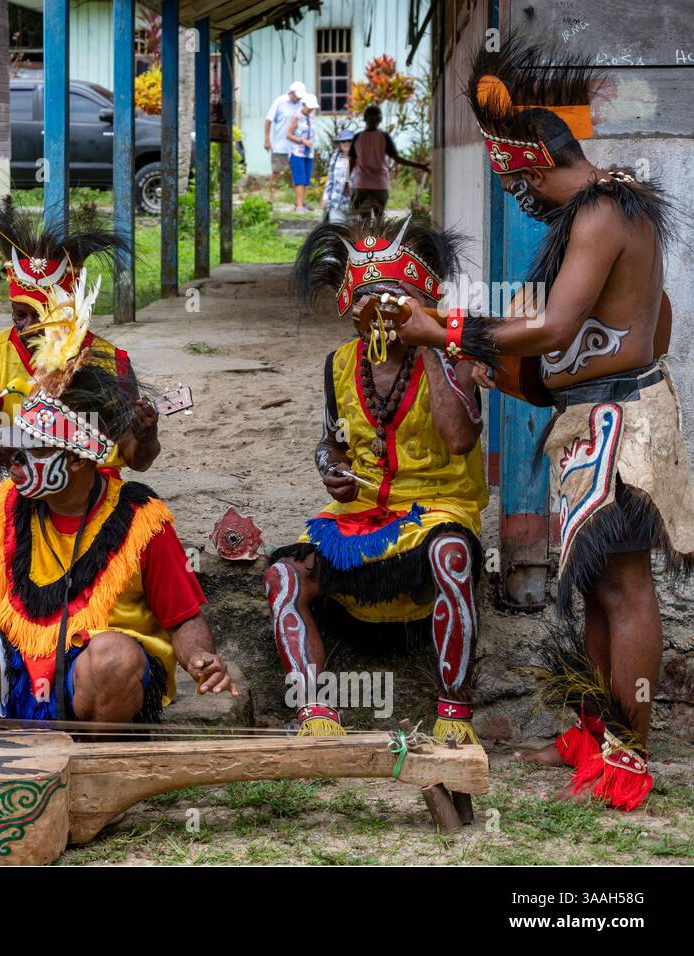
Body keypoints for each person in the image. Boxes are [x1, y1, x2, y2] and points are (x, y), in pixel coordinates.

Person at [395, 34, 693, 810]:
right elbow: (601, 335)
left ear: (528, 159)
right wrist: (492, 359)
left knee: (625, 587)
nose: (513, 193)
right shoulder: (607, 202)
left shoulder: (598, 213)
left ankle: (630, 752)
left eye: (511, 177)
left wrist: (451, 333)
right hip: (598, 420)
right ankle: (598, 732)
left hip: (622, 425)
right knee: (600, 586)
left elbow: (558, 329)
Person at [0, 274, 236, 722]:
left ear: (81, 460)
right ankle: (3, 760)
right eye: (17, 445)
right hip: (20, 669)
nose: (16, 461)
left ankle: (90, 769)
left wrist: (201, 658)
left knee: (113, 657)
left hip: (93, 678)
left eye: (36, 449)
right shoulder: (4, 503)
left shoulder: (142, 518)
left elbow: (183, 616)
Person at [268, 215, 487, 739]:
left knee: (450, 557)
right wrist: (331, 470)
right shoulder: (341, 364)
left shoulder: (455, 358)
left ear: (421, 297)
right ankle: (316, 714)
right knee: (283, 575)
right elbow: (331, 443)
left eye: (394, 297)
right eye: (368, 298)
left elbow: (459, 438)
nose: (381, 310)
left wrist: (430, 341)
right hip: (359, 515)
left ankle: (453, 715)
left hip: (437, 510)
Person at [0, 196, 157, 613]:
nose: (24, 326)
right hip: (4, 485)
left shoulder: (110, 360)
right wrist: (35, 441)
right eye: (17, 314)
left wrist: (146, 435)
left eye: (36, 315)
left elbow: (136, 459)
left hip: (88, 491)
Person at [348, 105, 430, 219]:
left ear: (364, 118)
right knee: (379, 220)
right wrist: (420, 166)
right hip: (379, 183)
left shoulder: (358, 137)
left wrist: (348, 179)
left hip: (362, 183)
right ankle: (378, 236)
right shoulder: (383, 137)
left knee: (364, 221)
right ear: (379, 120)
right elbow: (397, 159)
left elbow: (352, 161)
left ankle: (366, 236)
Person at [264, 81, 306, 205]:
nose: (297, 98)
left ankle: (298, 201)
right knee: (276, 172)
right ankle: (270, 198)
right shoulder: (279, 102)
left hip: (296, 146)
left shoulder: (301, 104)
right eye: (296, 95)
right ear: (291, 92)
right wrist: (267, 139)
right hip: (280, 145)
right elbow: (268, 120)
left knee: (296, 174)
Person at [285, 93, 318, 213]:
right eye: (309, 107)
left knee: (305, 179)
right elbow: (288, 135)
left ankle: (301, 204)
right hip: (297, 152)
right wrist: (302, 141)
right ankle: (299, 206)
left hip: (308, 153)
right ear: (303, 104)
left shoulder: (311, 117)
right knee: (299, 179)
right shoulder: (296, 117)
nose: (311, 109)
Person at [321, 129, 354, 223]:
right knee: (336, 234)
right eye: (344, 141)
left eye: (349, 141)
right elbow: (330, 180)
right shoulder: (335, 157)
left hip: (355, 205)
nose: (346, 143)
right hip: (336, 203)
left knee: (356, 235)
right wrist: (325, 198)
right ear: (339, 143)